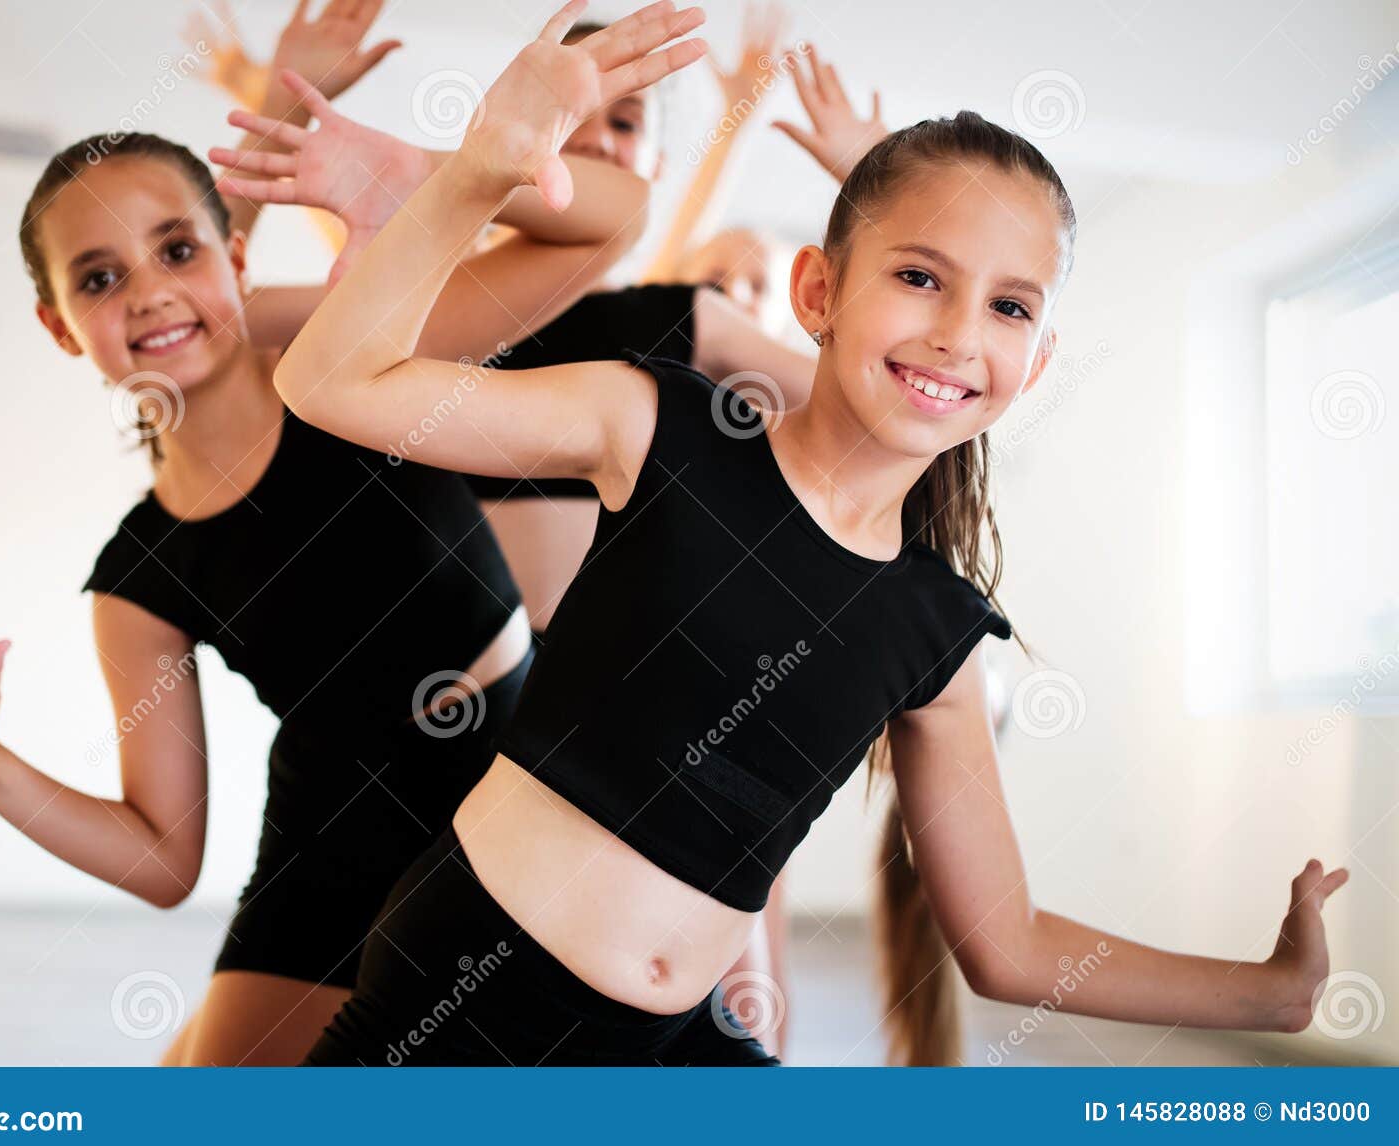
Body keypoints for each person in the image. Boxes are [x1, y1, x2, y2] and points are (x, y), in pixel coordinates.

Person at [262, 0, 1350, 1066]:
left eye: (1009, 307)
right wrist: (480, 167)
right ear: (817, 290)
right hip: (459, 1010)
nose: (957, 333)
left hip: (664, 1048)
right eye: (919, 276)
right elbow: (329, 382)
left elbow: (1005, 945)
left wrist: (1274, 988)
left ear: (1038, 361)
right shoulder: (654, 422)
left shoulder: (940, 629)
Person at [0, 112, 651, 1063]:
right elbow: (163, 856)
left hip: (507, 788)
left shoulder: (352, 366)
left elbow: (613, 219)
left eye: (177, 249)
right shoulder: (138, 577)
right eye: (100, 278)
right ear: (61, 327)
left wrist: (441, 170)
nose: (148, 294)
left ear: (238, 256)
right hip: (333, 834)